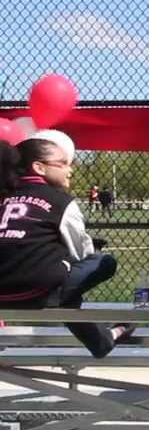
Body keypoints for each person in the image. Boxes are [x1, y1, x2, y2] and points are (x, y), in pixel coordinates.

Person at [0, 134, 135, 357]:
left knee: (60, 276)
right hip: (38, 293)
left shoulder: (4, 196)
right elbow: (82, 253)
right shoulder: (61, 201)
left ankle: (102, 340)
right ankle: (100, 339)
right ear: (39, 167)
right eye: (63, 163)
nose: (70, 169)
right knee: (103, 262)